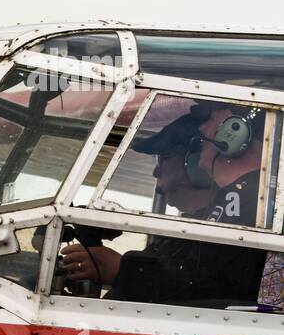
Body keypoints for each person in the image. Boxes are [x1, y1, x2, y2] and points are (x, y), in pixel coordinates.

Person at [60, 102, 268, 304]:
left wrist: (123, 270)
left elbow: (220, 289)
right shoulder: (232, 204)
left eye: (164, 159)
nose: (203, 129)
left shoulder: (256, 204)